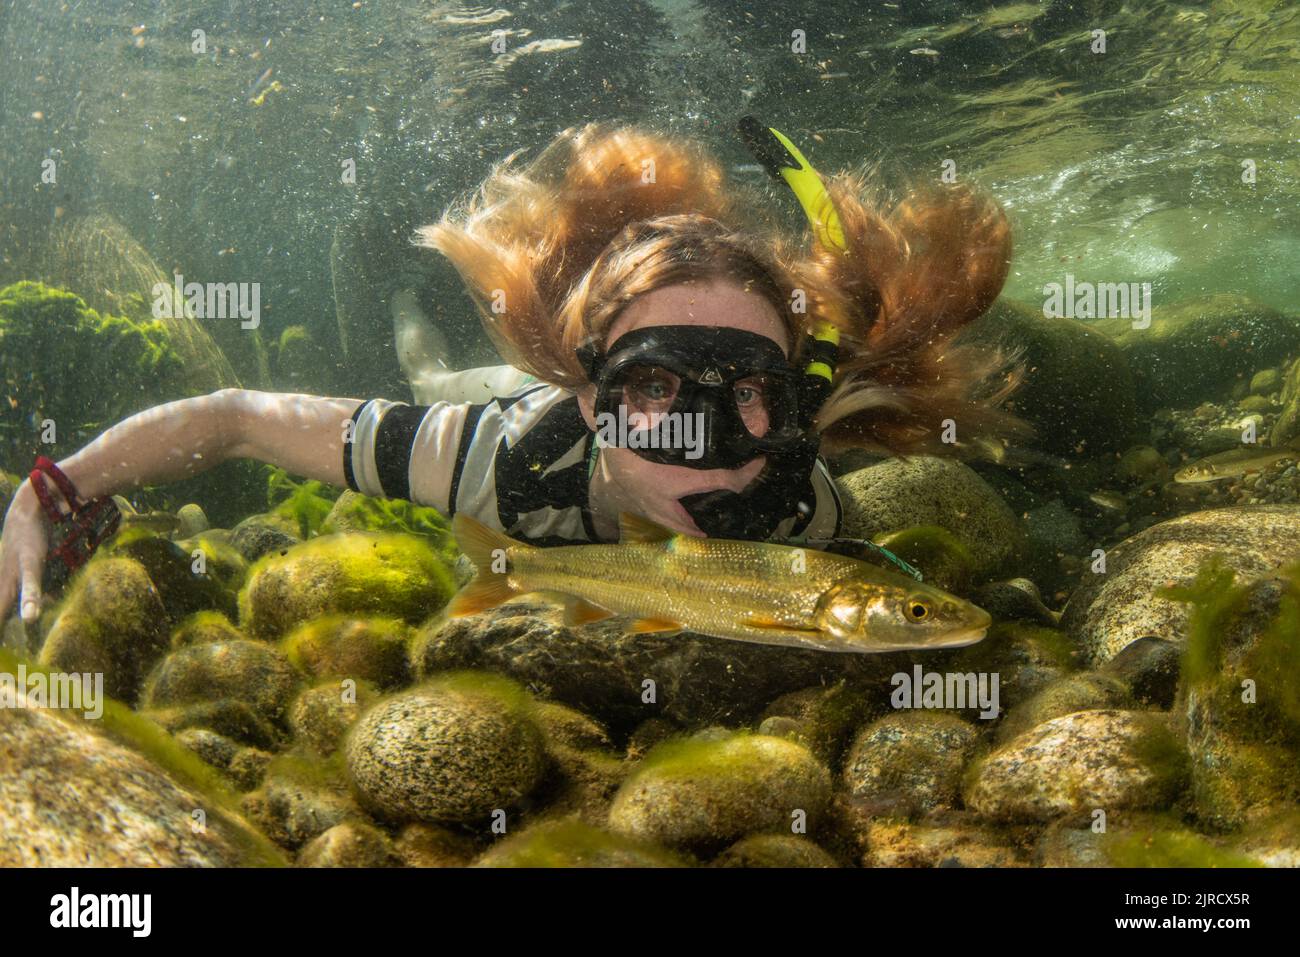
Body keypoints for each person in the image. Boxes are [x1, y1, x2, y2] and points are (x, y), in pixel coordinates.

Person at [0, 121, 1020, 626]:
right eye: (656, 388)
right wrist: (58, 492)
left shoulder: (807, 505)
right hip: (486, 398)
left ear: (796, 403)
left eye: (744, 389)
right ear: (590, 395)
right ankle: (409, 318)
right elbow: (230, 417)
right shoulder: (495, 459)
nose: (703, 440)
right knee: (439, 378)